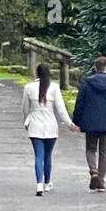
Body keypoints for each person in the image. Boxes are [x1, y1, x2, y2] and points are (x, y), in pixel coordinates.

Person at [72, 55, 106, 192]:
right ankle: (101, 181)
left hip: (90, 122)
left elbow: (80, 103)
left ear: (95, 67)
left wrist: (76, 121)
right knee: (104, 152)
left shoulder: (86, 83)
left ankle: (93, 171)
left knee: (90, 149)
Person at [22, 63, 75, 196]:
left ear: (36, 73)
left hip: (35, 125)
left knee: (38, 155)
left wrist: (26, 120)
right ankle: (47, 182)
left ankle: (39, 184)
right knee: (47, 155)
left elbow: (25, 108)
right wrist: (69, 123)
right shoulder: (54, 87)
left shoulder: (29, 87)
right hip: (50, 125)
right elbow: (61, 109)